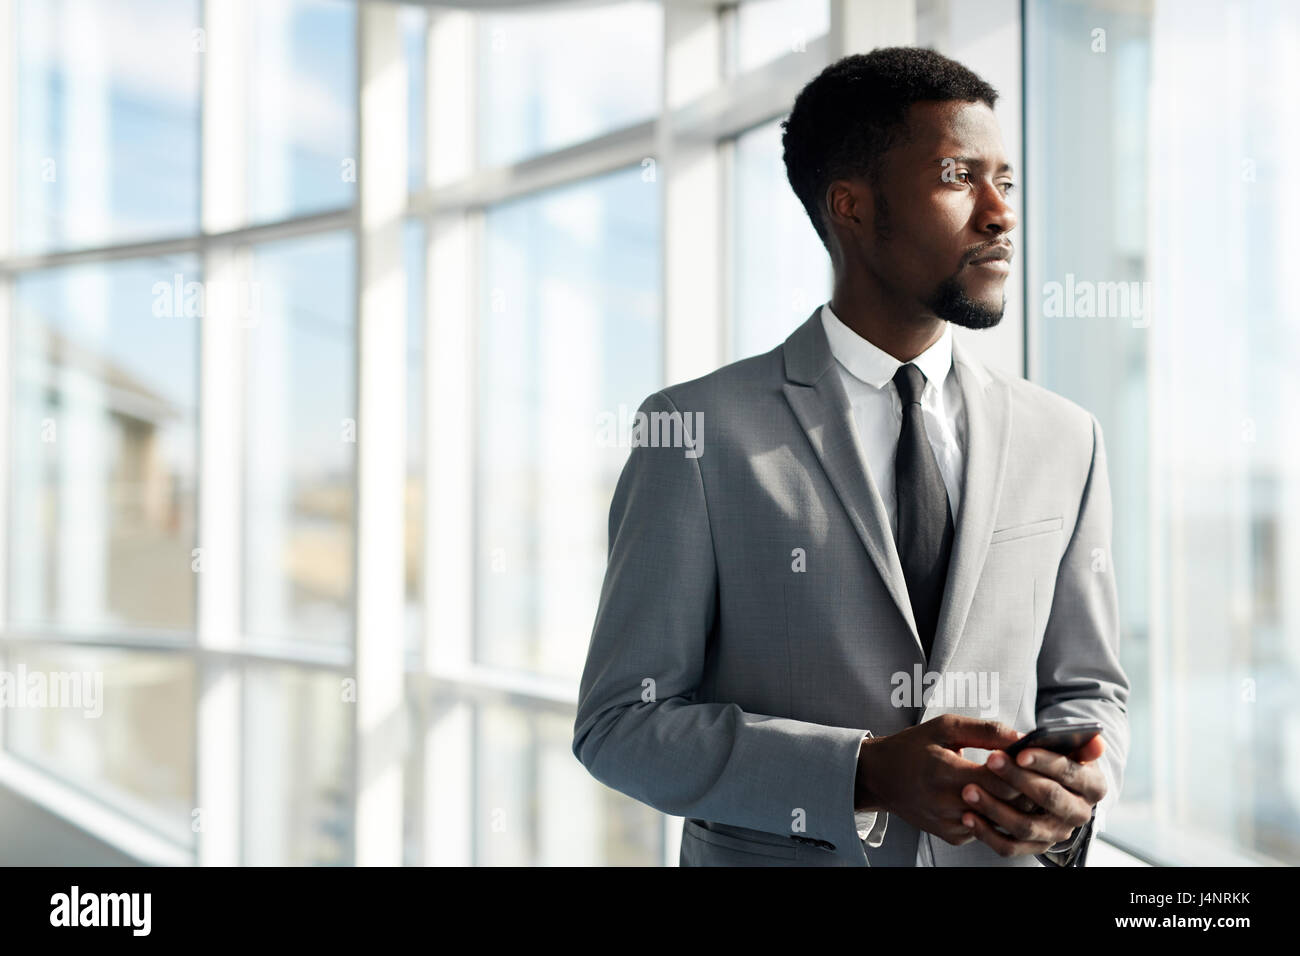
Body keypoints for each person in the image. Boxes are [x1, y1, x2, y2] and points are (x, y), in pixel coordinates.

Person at [572, 46, 1129, 866]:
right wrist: (861, 772)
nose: (999, 213)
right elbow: (620, 723)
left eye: (1003, 181)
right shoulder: (696, 432)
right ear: (853, 209)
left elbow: (1090, 689)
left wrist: (1072, 791)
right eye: (957, 178)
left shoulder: (1065, 436)